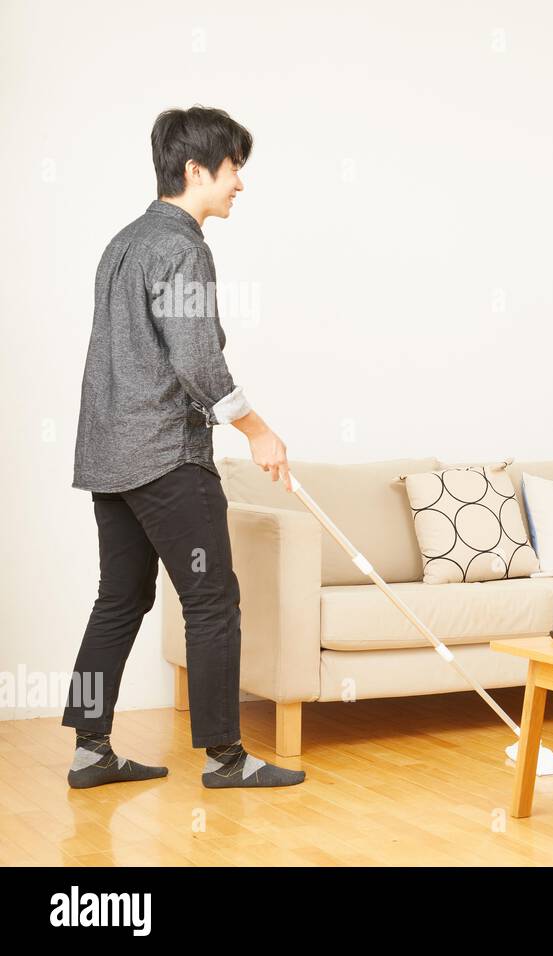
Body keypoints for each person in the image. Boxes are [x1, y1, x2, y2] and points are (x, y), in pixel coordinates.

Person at [64, 106, 304, 790]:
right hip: (166, 455)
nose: (239, 184)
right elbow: (196, 357)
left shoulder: (123, 242)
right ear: (197, 170)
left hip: (109, 457)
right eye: (233, 170)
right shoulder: (182, 245)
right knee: (211, 600)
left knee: (119, 598)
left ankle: (90, 749)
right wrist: (258, 430)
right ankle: (228, 758)